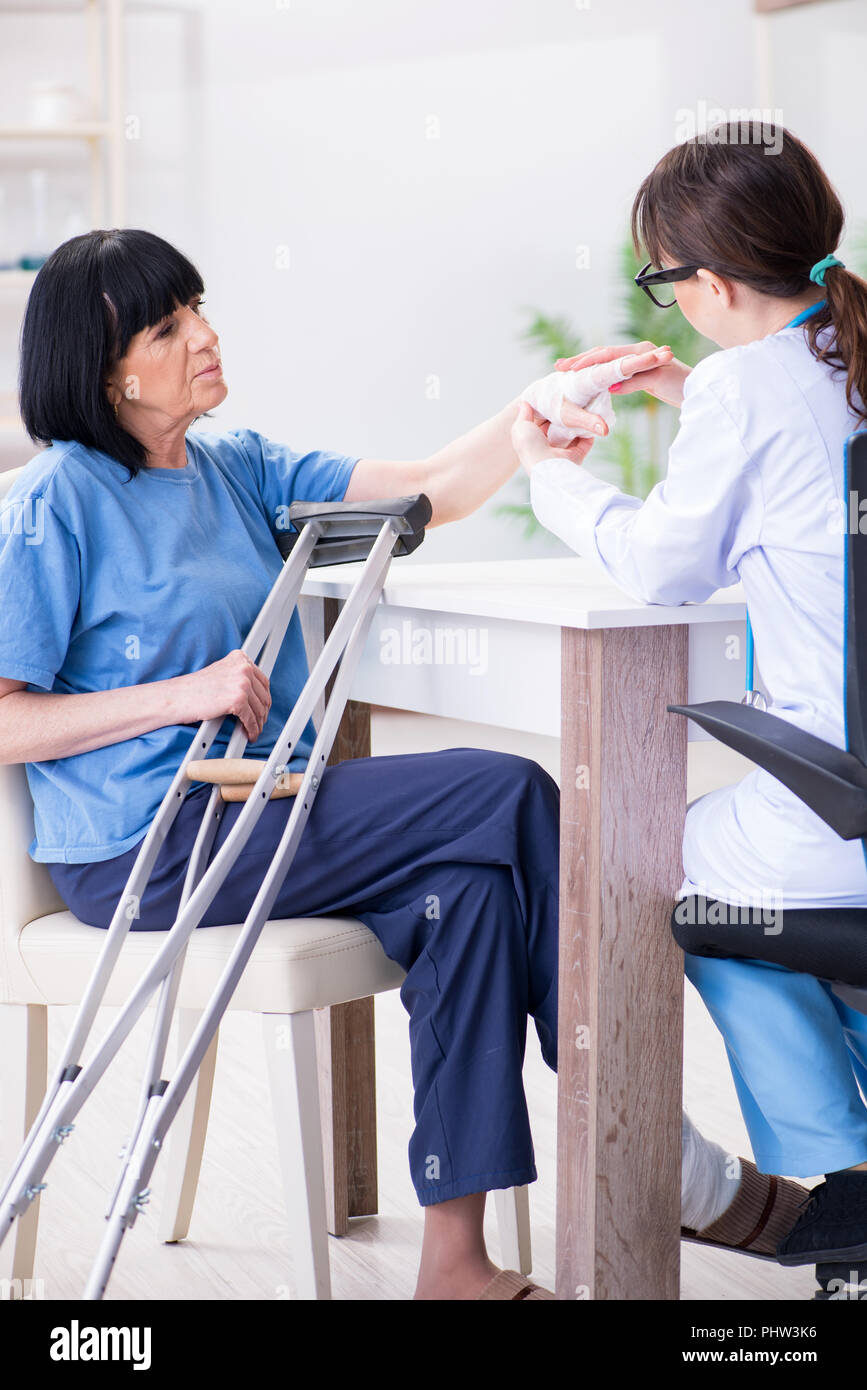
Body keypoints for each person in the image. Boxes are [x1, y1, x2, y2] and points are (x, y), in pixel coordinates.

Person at [0, 228, 804, 1301]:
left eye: (197, 305)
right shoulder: (56, 498)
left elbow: (433, 485)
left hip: (265, 811)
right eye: (167, 325)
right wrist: (178, 695)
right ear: (108, 375)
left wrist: (533, 414)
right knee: (510, 790)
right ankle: (671, 1157)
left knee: (463, 895)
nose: (205, 332)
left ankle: (454, 1265)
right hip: (150, 844)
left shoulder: (237, 470)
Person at [512, 122, 867, 1275]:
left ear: (710, 282)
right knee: (769, 891)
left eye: (663, 285)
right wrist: (694, 392)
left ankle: (842, 1168)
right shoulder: (827, 360)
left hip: (842, 820)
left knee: (659, 868)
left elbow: (668, 568)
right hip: (844, 818)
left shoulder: (747, 393)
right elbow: (797, 486)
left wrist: (552, 477)